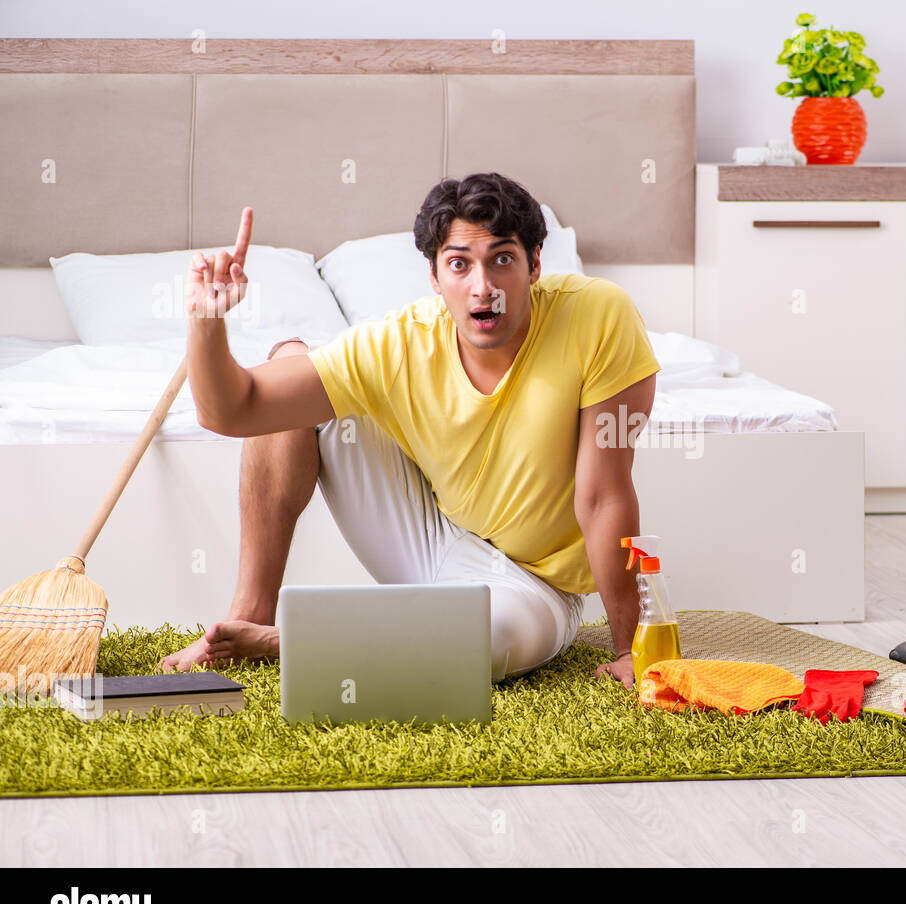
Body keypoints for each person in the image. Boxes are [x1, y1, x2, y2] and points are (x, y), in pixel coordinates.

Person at [157, 173, 660, 691]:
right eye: (460, 264)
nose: (481, 287)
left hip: (531, 586)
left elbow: (603, 497)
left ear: (535, 264)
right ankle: (252, 613)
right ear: (435, 276)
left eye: (502, 259)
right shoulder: (399, 343)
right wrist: (205, 321)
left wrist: (630, 649)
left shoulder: (598, 317)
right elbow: (232, 412)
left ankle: (299, 639)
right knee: (291, 364)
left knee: (493, 634)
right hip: (426, 535)